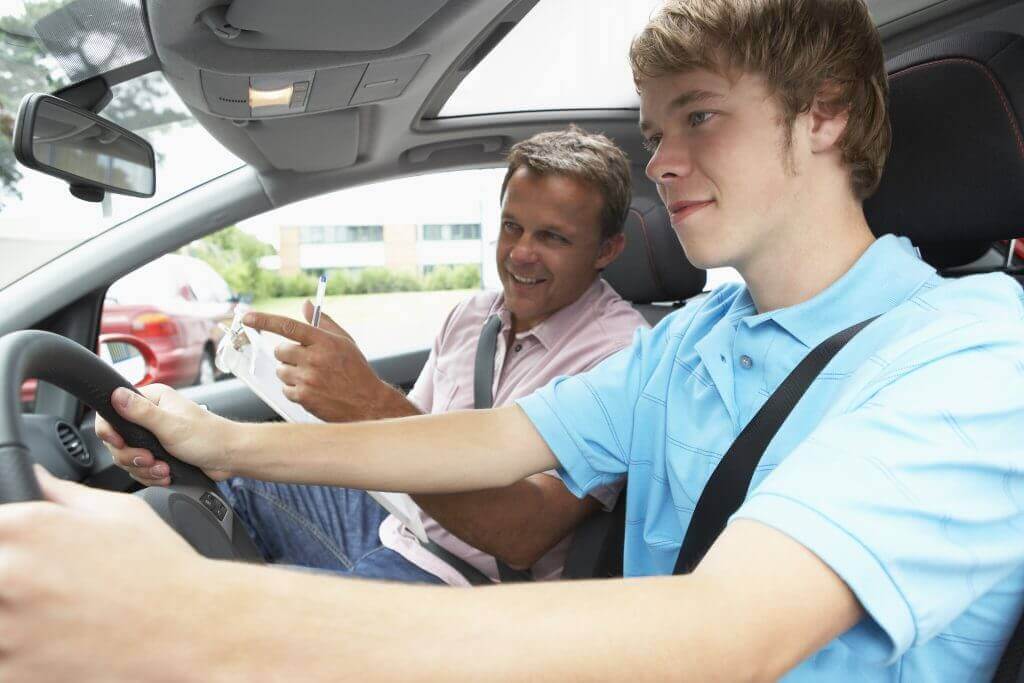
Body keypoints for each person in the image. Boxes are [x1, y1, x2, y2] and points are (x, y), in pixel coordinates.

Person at [3, 0, 1024, 680]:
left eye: (699, 118)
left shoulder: (976, 355)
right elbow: (491, 437)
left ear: (824, 116)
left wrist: (196, 617)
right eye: (655, 131)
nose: (661, 162)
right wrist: (225, 442)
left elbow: (731, 631)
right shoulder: (697, 337)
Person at [165, 127, 648, 585]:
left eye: (552, 237)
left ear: (607, 249)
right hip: (399, 524)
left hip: (470, 585)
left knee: (264, 610)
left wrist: (367, 401)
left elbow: (522, 535)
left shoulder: (622, 358)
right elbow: (407, 432)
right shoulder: (472, 315)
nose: (521, 253)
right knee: (211, 492)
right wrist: (333, 395)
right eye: (512, 227)